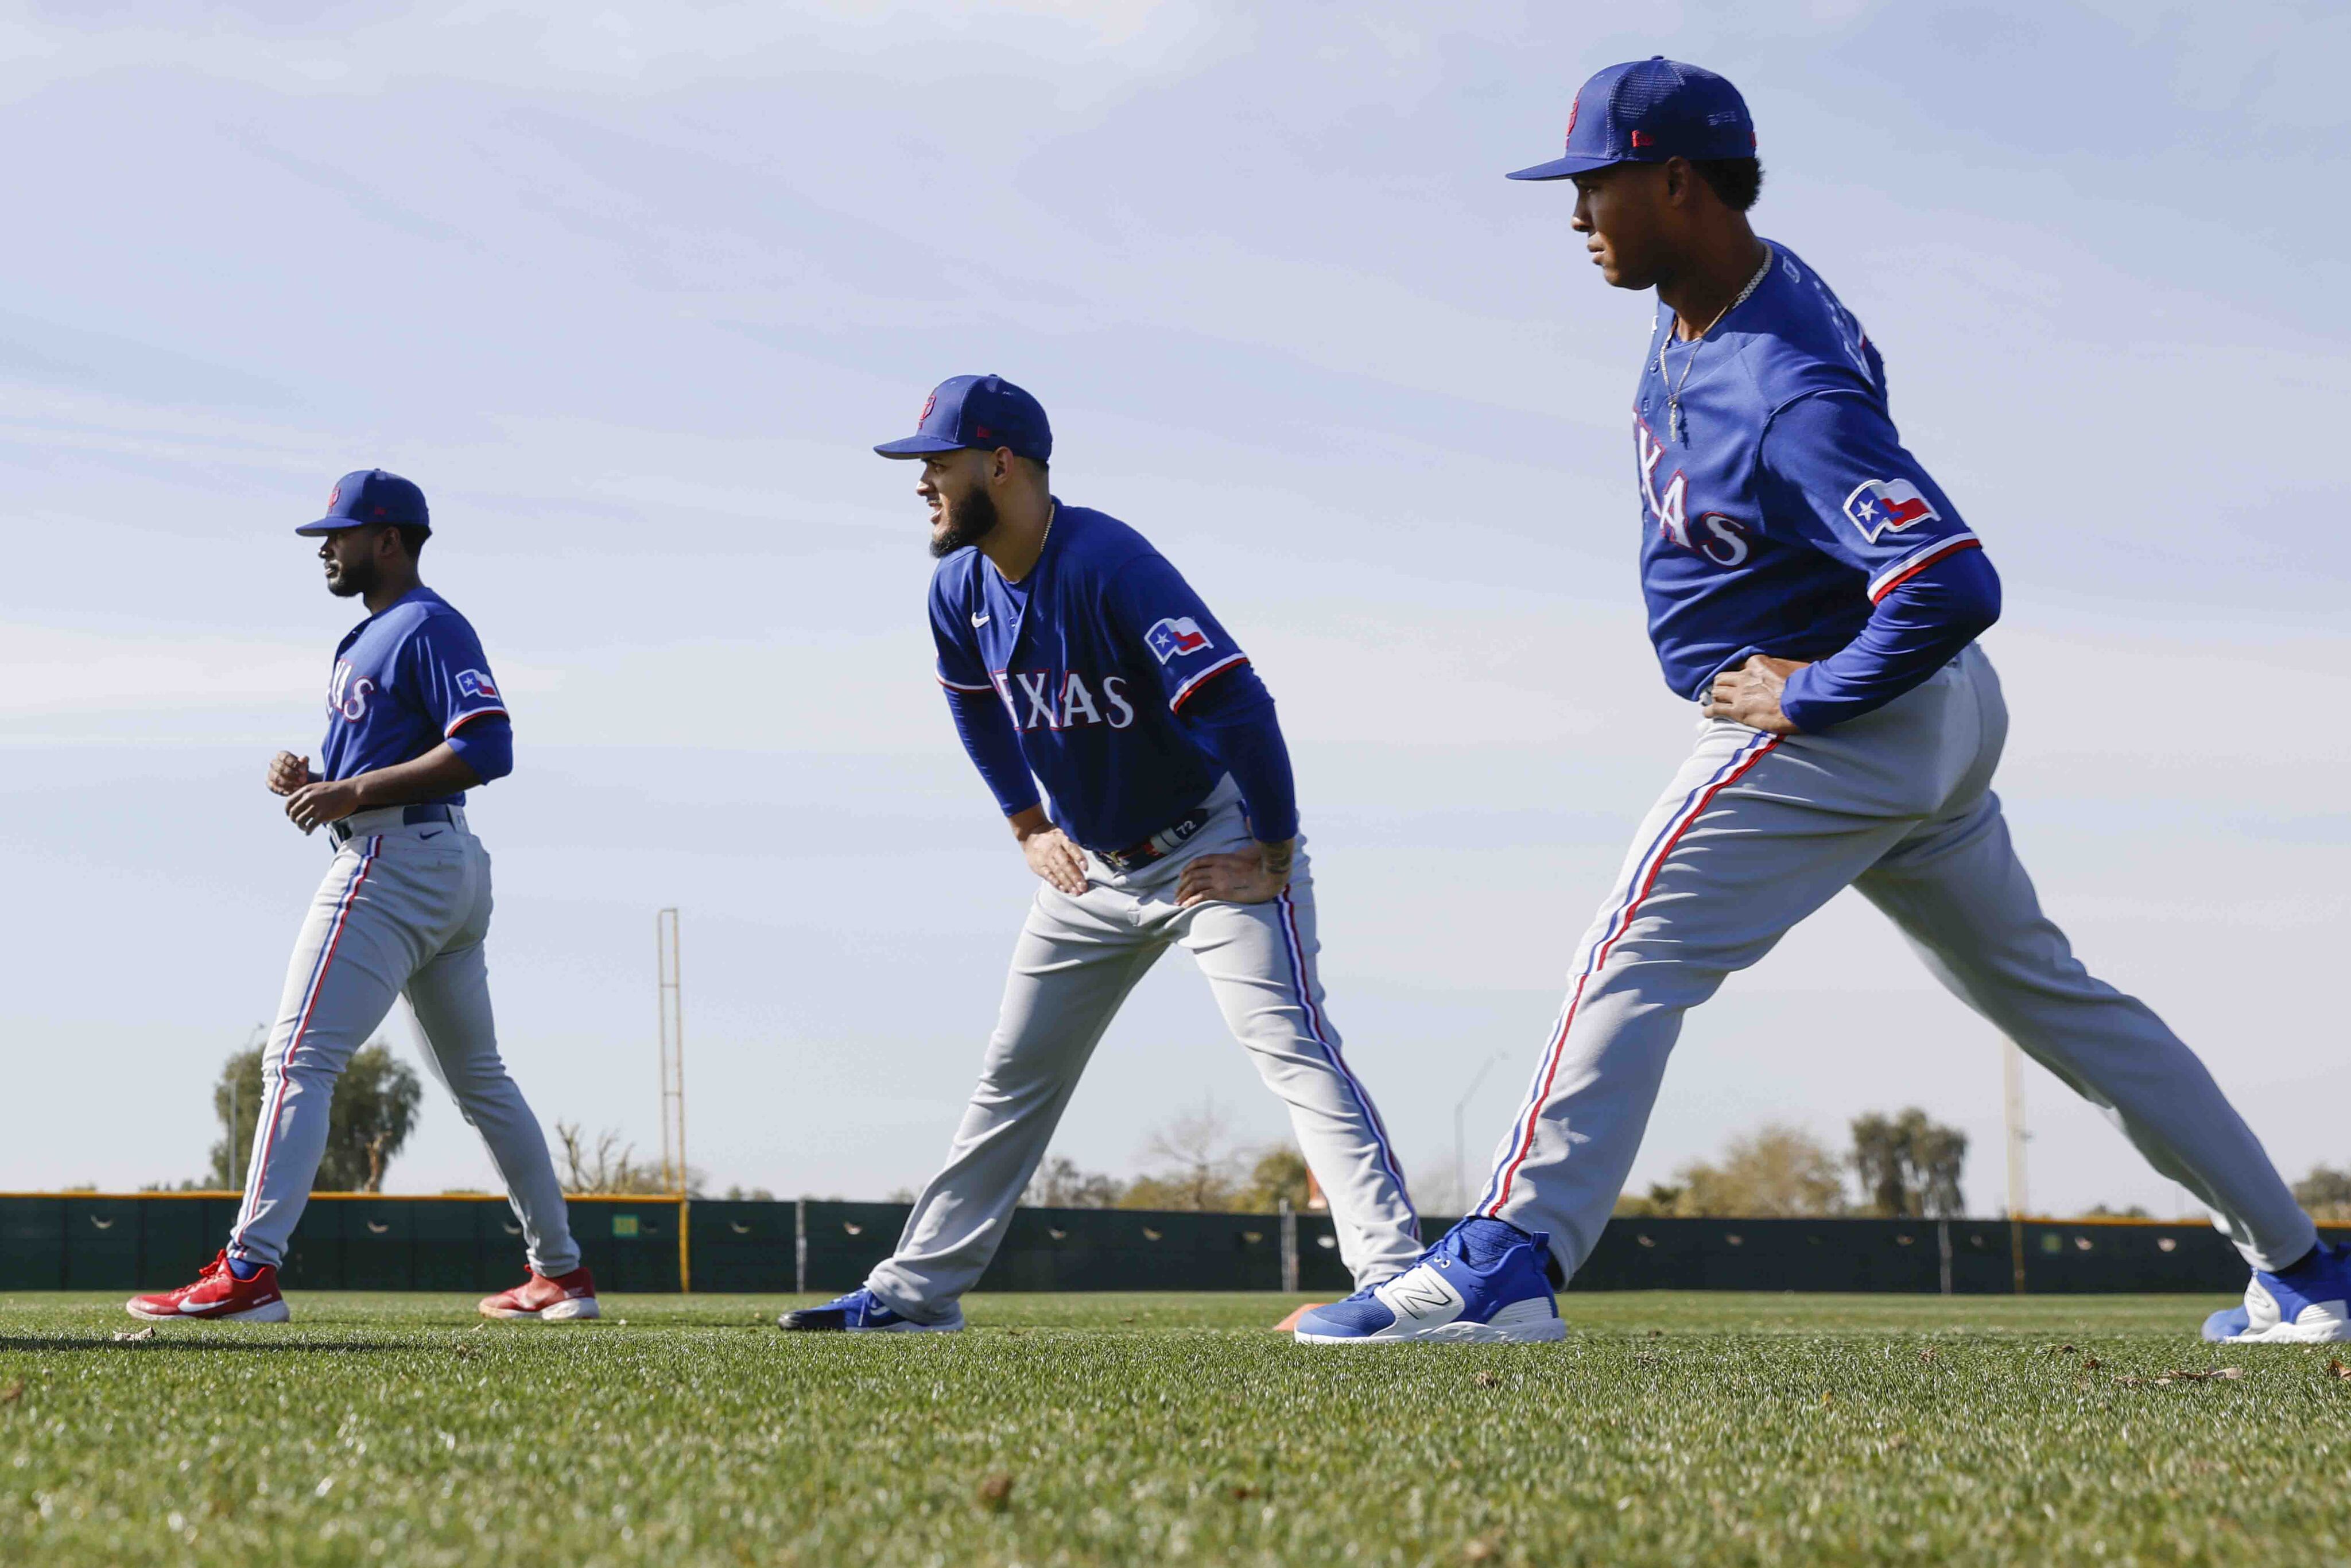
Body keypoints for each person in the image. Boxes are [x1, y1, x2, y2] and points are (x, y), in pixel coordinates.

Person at [1295, 59, 2348, 1345]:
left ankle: (1509, 1256)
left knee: (1635, 947)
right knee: (2054, 998)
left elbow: (1948, 579)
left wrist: (1819, 694)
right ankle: (2300, 1271)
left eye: (1595, 184)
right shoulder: (1716, 300)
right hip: (1928, 719)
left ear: (1675, 182)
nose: (1574, 215)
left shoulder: (1781, 375)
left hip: (1846, 713)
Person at [779, 375, 1420, 1332]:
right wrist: (1025, 824)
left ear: (1000, 463)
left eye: (937, 463)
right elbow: (971, 703)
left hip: (1209, 845)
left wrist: (1273, 852)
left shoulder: (1110, 563)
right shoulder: (957, 586)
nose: (922, 484)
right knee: (1013, 1073)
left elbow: (1240, 703)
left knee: (1289, 1046)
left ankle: (1400, 1281)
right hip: (1090, 870)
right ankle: (914, 1297)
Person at [128, 470, 598, 1325]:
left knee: (297, 1060)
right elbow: (372, 767)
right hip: (431, 860)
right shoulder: (370, 636)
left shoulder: (427, 623)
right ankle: (560, 1274)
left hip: (397, 860)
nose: (325, 547)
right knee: (482, 1080)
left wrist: (353, 794)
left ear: (389, 539)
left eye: (340, 534)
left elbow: (490, 746)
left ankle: (249, 1270)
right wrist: (313, 777)